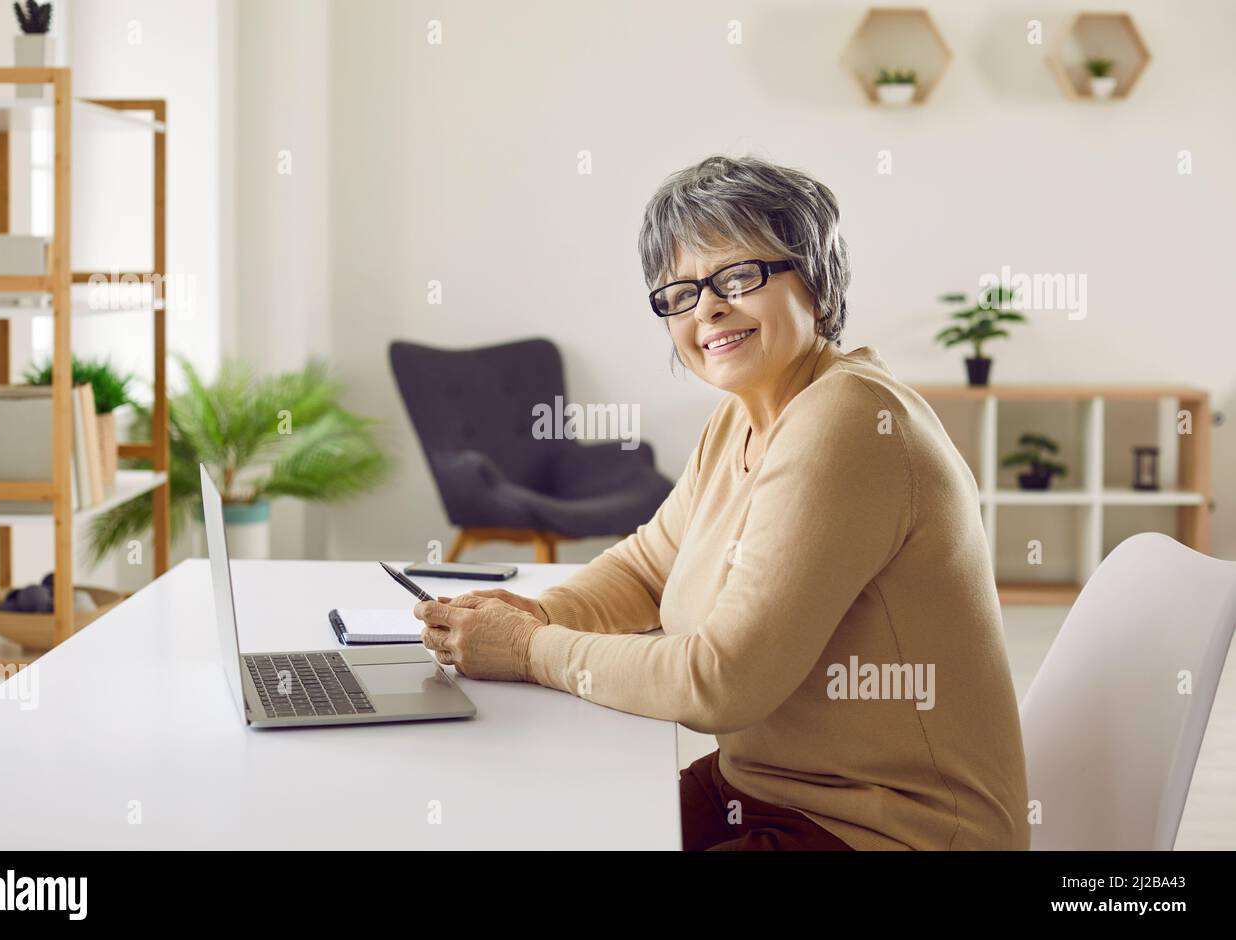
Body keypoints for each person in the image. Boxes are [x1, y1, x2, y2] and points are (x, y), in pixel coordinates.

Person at [412, 155, 1028, 851]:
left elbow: (720, 681)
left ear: (818, 287)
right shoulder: (742, 416)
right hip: (761, 789)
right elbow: (649, 566)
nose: (707, 307)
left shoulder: (849, 421)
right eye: (681, 292)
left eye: (738, 277)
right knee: (545, 829)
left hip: (887, 829)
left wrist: (529, 651)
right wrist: (533, 613)